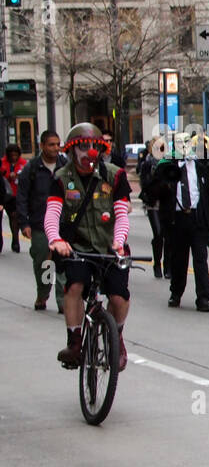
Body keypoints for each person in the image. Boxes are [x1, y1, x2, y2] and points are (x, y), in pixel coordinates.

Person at [43, 124, 131, 368]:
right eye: (83, 147)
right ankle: (74, 341)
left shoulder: (115, 175)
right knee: (74, 286)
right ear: (72, 151)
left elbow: (122, 214)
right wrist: (56, 240)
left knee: (119, 296)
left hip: (110, 248)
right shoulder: (61, 178)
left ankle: (117, 337)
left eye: (94, 146)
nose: (89, 152)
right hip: (77, 248)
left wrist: (119, 240)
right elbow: (52, 214)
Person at [150, 132, 209, 311]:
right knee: (179, 260)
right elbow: (154, 192)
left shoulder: (199, 168)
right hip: (177, 221)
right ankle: (176, 293)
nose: (184, 146)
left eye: (187, 142)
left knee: (200, 259)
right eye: (180, 143)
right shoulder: (167, 167)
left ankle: (203, 298)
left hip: (197, 219)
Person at [16, 129, 67, 310]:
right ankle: (43, 293)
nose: (55, 148)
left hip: (63, 224)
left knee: (63, 263)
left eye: (57, 144)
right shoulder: (31, 169)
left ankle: (63, 301)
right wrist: (24, 223)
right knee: (44, 262)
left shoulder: (66, 166)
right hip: (40, 224)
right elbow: (21, 197)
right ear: (42, 146)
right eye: (51, 144)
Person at [136, 136, 167, 279]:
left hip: (166, 203)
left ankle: (168, 266)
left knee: (168, 236)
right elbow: (144, 183)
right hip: (153, 203)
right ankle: (157, 264)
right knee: (159, 234)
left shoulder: (167, 163)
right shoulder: (147, 164)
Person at [1, 143, 26, 252]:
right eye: (12, 155)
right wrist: (7, 175)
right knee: (7, 217)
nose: (14, 157)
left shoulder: (23, 163)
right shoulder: (3, 163)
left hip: (17, 194)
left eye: (16, 155)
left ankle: (15, 240)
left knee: (14, 216)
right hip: (5, 195)